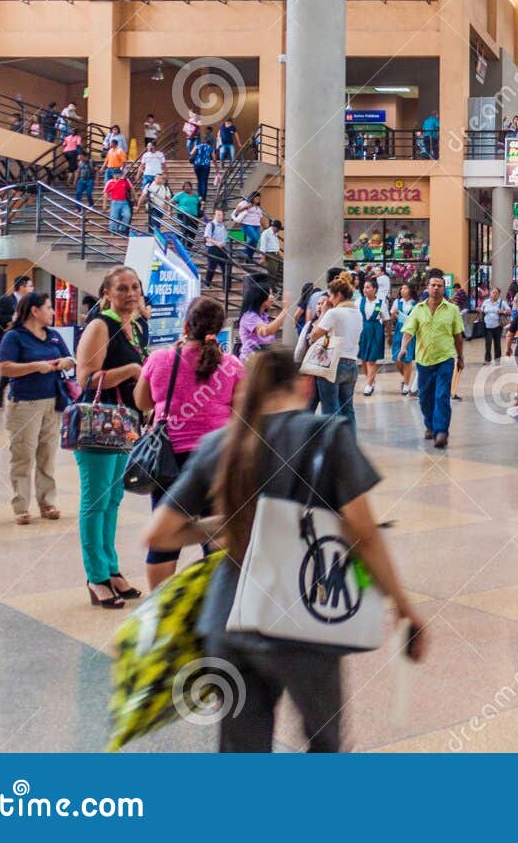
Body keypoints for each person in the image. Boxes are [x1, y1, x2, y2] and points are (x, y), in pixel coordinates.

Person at [145, 346, 427, 752]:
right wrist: (404, 606)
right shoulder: (327, 436)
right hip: (303, 624)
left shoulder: (219, 443)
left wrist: (226, 524)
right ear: (302, 384)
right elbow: (363, 532)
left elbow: (159, 535)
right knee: (323, 743)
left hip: (229, 619)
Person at [133, 296, 242, 589]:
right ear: (220, 329)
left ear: (185, 326)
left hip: (169, 460)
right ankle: (216, 602)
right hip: (215, 458)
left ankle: (159, 606)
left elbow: (142, 401)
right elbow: (241, 410)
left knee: (165, 538)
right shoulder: (231, 365)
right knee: (217, 534)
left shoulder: (160, 359)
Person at [73, 266, 147, 609]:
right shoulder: (101, 325)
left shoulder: (134, 327)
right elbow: (86, 378)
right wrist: (132, 371)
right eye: (122, 288)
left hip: (124, 423)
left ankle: (111, 568)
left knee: (113, 499)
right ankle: (96, 577)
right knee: (95, 501)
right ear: (107, 293)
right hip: (98, 423)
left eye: (134, 287)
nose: (130, 293)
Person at [0, 290, 74, 525]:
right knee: (23, 456)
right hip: (25, 404)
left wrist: (65, 362)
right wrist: (34, 366)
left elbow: (70, 359)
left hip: (53, 401)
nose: (53, 312)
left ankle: (47, 502)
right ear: (34, 310)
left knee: (47, 455)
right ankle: (21, 506)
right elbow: (6, 368)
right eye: (49, 307)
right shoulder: (14, 337)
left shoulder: (53, 336)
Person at [402, 271, 466, 447]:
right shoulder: (418, 309)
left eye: (439, 285)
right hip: (423, 360)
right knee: (425, 398)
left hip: (445, 359)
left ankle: (441, 432)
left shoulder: (452, 310)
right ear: (427, 288)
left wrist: (460, 357)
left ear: (444, 289)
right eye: (433, 285)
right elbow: (409, 330)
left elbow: (458, 336)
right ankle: (430, 426)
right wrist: (403, 348)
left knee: (442, 396)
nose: (436, 288)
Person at [309, 276, 364, 424]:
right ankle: (348, 442)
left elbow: (313, 336)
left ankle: (332, 445)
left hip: (332, 364)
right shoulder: (358, 314)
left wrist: (324, 313)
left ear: (338, 295)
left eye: (331, 296)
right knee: (348, 409)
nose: (329, 300)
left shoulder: (333, 313)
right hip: (352, 363)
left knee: (329, 409)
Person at [0, 274, 33, 408]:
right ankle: (1, 390)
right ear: (22, 287)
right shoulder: (7, 301)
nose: (32, 288)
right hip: (11, 338)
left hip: (26, 338)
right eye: (30, 286)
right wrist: (11, 318)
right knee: (12, 365)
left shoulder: (30, 302)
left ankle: (15, 392)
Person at [237, 280, 290, 357]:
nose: (272, 297)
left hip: (263, 359)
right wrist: (285, 309)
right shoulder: (249, 316)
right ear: (259, 296)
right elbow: (267, 331)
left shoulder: (263, 316)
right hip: (252, 362)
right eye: (269, 294)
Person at [355, 277, 388, 396]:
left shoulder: (381, 303)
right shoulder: (359, 301)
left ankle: (368, 385)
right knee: (363, 359)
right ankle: (371, 380)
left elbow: (386, 319)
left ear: (375, 289)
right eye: (364, 287)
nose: (365, 289)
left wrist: (388, 335)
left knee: (371, 360)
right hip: (362, 331)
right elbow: (354, 316)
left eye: (368, 287)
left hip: (375, 332)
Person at [390, 281, 418, 395]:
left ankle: (406, 384)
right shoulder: (397, 302)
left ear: (411, 290)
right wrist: (394, 314)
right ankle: (406, 375)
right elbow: (392, 317)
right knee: (396, 359)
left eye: (405, 288)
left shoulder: (416, 304)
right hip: (398, 330)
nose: (402, 291)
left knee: (407, 360)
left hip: (410, 331)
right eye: (401, 289)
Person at [203, 209, 232, 291]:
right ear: (214, 216)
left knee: (226, 266)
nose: (220, 217)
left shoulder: (223, 226)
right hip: (212, 248)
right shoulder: (210, 225)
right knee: (212, 267)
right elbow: (207, 238)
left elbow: (225, 237)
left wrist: (224, 243)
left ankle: (226, 287)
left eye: (221, 215)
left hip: (222, 249)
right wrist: (217, 243)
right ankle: (207, 284)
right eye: (218, 215)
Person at [479, 286, 507, 364]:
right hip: (487, 326)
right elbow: (482, 310)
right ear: (490, 293)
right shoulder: (485, 302)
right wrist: (480, 310)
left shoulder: (502, 302)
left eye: (496, 293)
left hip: (497, 326)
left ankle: (497, 361)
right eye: (493, 292)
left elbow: (509, 311)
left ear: (499, 294)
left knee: (497, 344)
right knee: (488, 344)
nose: (494, 294)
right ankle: (487, 360)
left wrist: (503, 311)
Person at [232, 193, 264, 259]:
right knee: (254, 238)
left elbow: (260, 218)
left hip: (257, 225)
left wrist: (262, 226)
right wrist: (245, 207)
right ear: (253, 197)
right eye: (257, 198)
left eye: (259, 198)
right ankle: (246, 251)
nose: (258, 200)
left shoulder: (258, 207)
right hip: (247, 224)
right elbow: (236, 211)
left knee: (256, 241)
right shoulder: (245, 203)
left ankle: (249, 256)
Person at [104, 171, 133, 235]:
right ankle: (113, 230)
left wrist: (135, 198)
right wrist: (105, 205)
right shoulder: (110, 182)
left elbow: (131, 188)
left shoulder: (125, 181)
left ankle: (122, 229)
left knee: (127, 215)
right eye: (115, 174)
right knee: (114, 217)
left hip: (124, 201)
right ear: (113, 175)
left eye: (118, 174)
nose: (117, 176)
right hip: (115, 202)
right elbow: (106, 193)